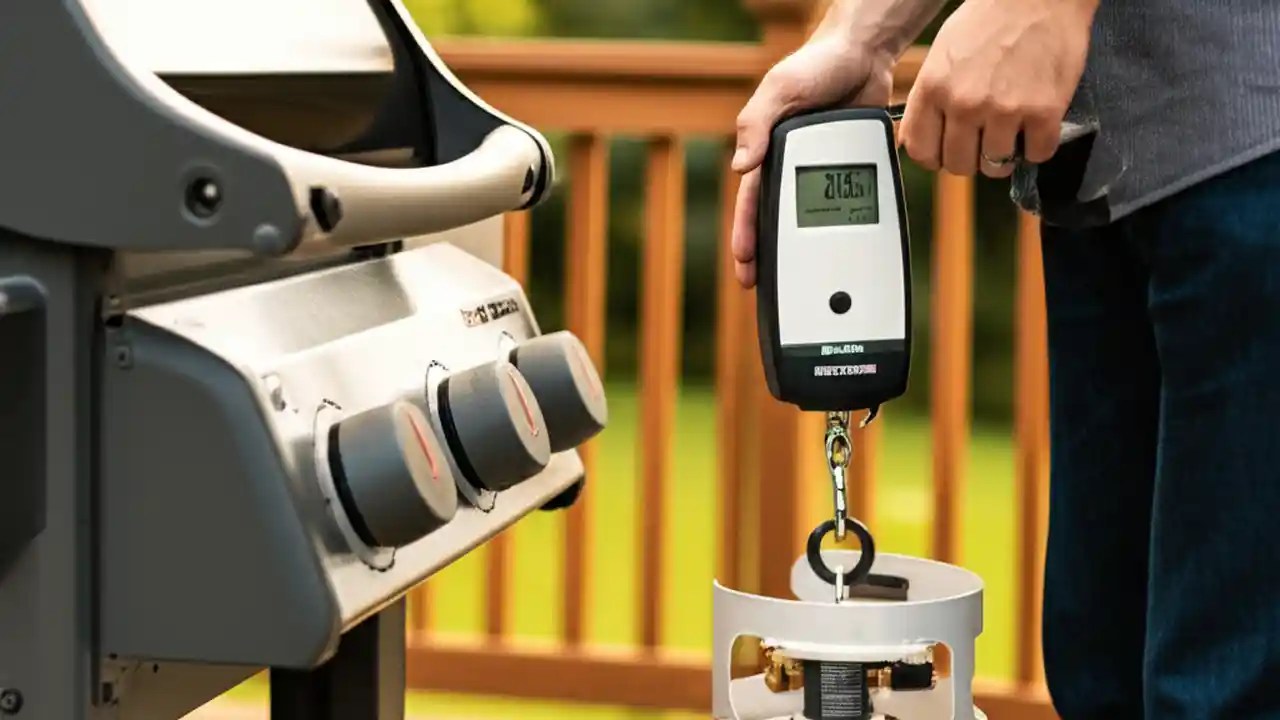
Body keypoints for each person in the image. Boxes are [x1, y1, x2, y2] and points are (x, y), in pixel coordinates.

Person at [728, 0, 1280, 717]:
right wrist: (862, 35)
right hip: (1103, 170)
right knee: (1100, 676)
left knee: (1219, 692)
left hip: (1250, 146)